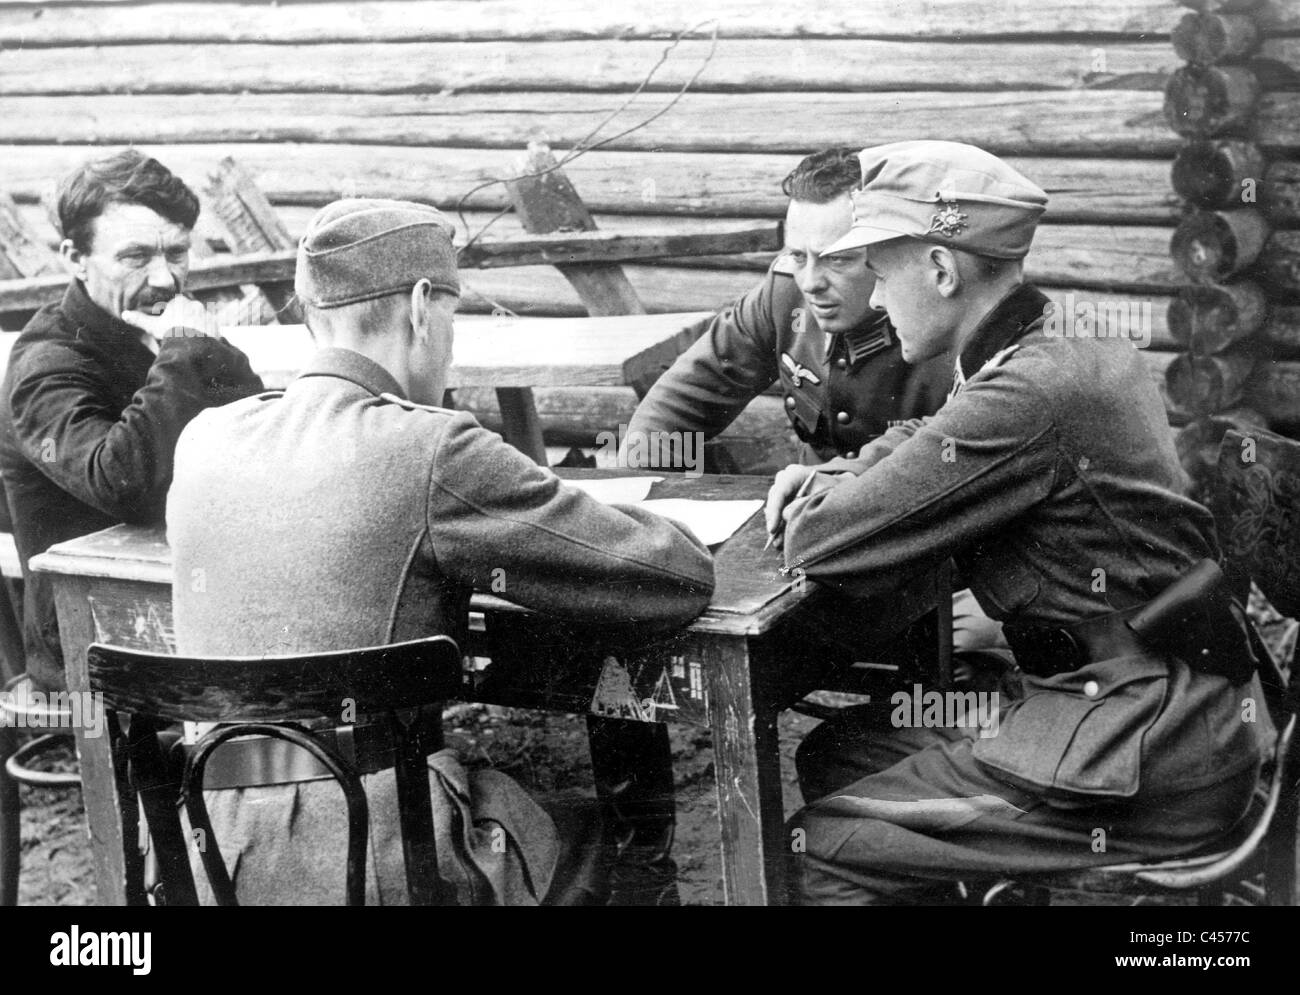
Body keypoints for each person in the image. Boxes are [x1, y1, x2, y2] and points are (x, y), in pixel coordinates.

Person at [766, 141, 1275, 904]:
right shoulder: (1055, 341)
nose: (872, 301)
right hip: (1170, 702)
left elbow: (825, 542)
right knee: (842, 753)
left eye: (882, 271)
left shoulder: (1027, 394)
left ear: (941, 271)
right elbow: (925, 437)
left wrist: (822, 500)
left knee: (814, 850)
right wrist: (835, 472)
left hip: (1140, 745)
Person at [166, 198, 716, 904]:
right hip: (377, 857)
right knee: (608, 835)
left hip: (214, 853)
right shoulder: (431, 446)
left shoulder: (205, 439)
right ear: (423, 305)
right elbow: (669, 576)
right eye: (453, 317)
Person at [0, 149, 263, 692]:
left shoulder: (155, 330)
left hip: (177, 596)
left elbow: (256, 420)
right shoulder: (46, 366)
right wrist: (185, 351)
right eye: (136, 256)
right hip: (91, 635)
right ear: (75, 257)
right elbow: (120, 483)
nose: (166, 278)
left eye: (178, 253)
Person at [629, 147, 951, 466]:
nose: (810, 282)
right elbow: (684, 398)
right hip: (804, 500)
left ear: (886, 255)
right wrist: (644, 486)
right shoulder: (784, 293)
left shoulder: (946, 322)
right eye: (798, 256)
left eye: (837, 259)